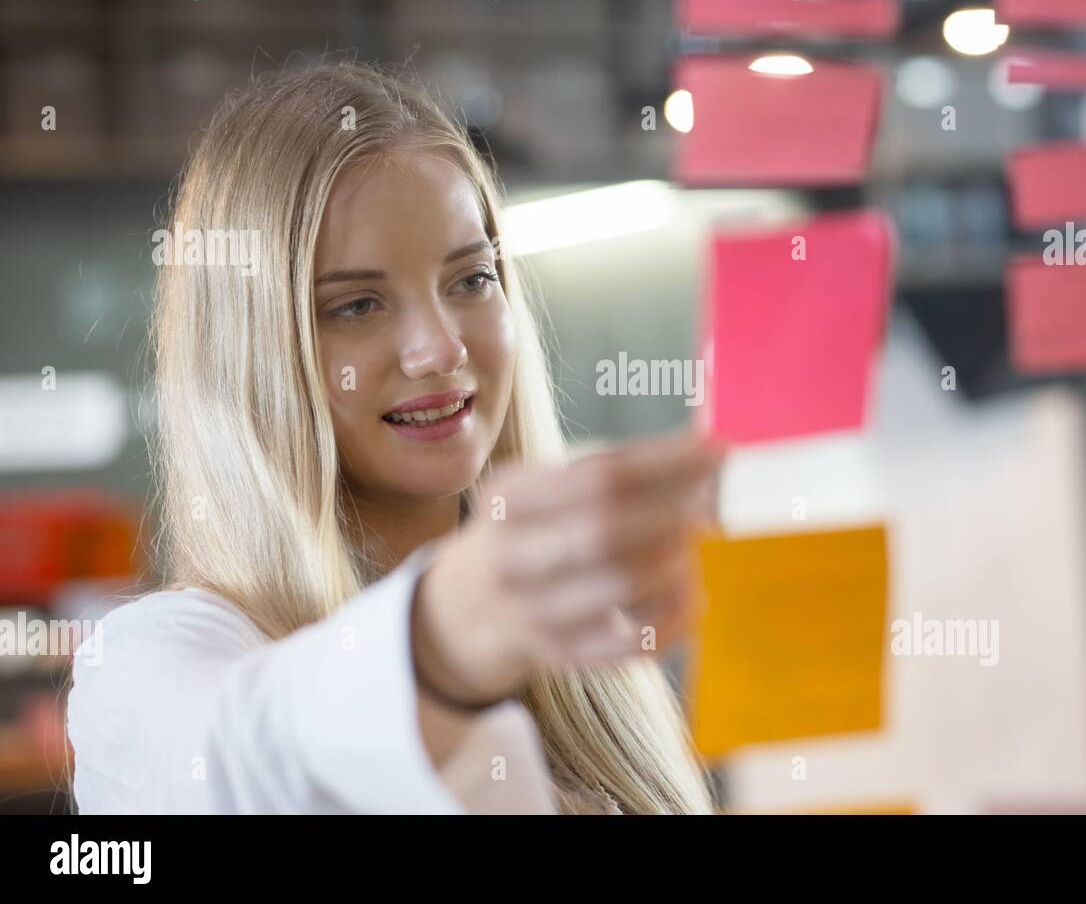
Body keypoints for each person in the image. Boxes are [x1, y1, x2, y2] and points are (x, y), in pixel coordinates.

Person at [66, 61, 724, 814]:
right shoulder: (154, 664)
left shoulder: (594, 666)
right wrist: (440, 640)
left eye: (470, 280)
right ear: (251, 354)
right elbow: (240, 772)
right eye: (357, 306)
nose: (440, 350)